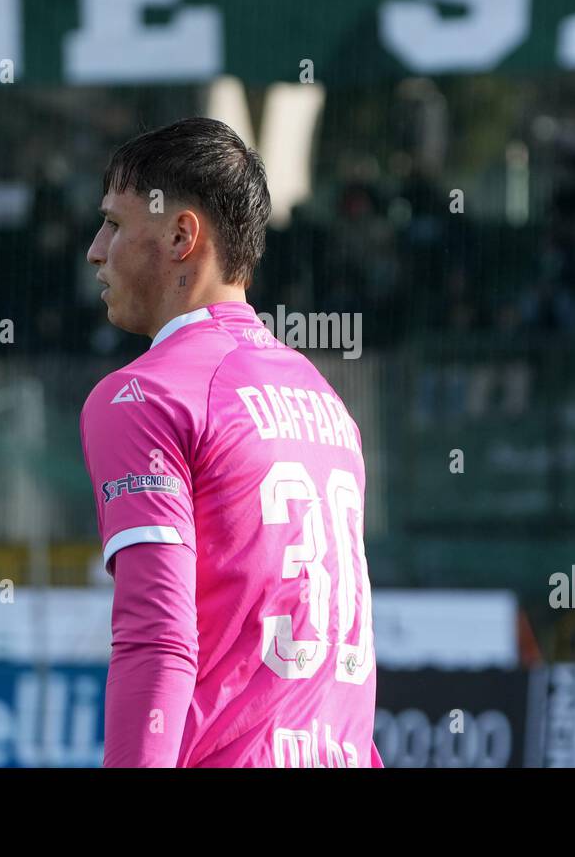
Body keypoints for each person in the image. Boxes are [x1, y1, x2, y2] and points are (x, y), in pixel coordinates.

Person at [80, 118, 382, 767]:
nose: (96, 250)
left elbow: (157, 639)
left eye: (114, 223)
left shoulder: (144, 396)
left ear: (182, 235)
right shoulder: (325, 404)